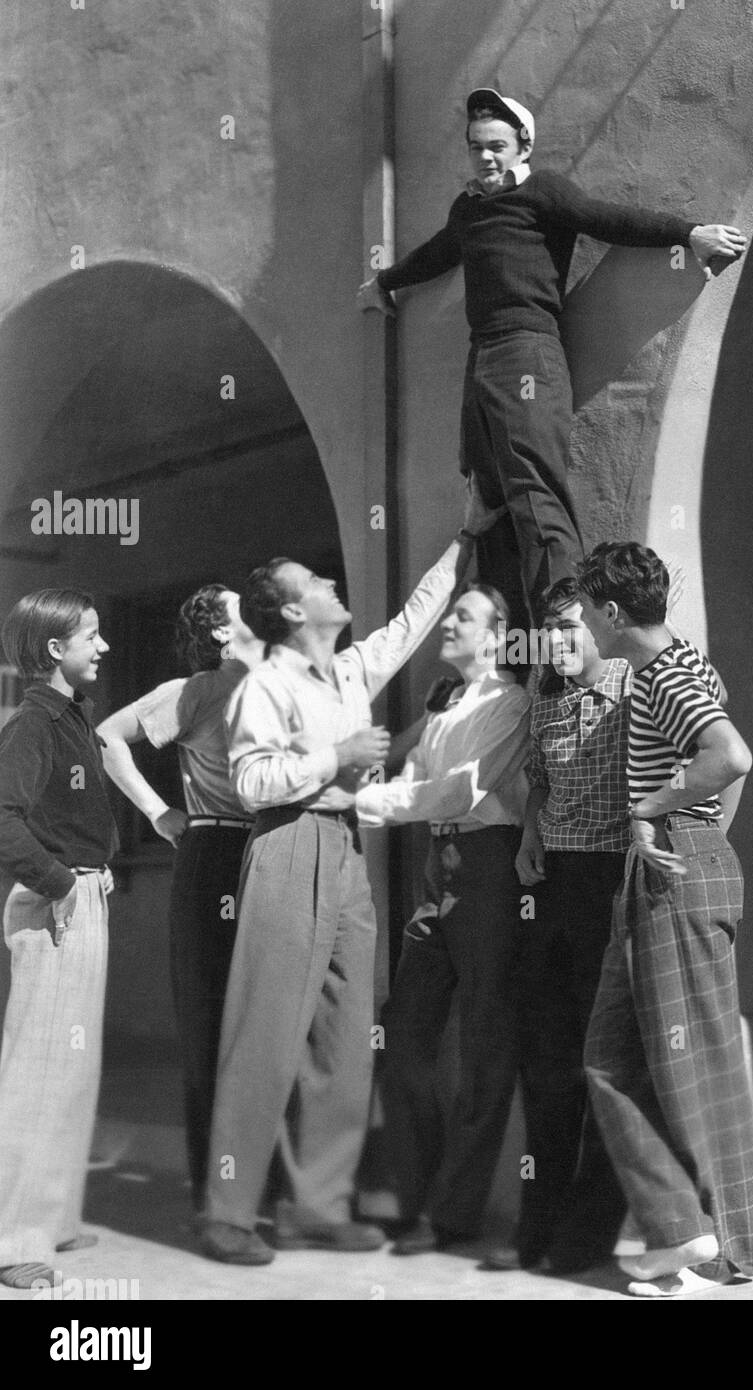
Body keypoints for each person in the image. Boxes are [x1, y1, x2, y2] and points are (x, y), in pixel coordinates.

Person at [200, 486, 498, 1266]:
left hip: (344, 853)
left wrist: (464, 538)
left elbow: (411, 621)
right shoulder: (264, 685)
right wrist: (337, 758)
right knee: (267, 1031)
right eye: (318, 584)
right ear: (294, 613)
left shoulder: (345, 673)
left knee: (343, 1039)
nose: (334, 586)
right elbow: (253, 784)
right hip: (288, 844)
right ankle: (229, 1210)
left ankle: (317, 1207)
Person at [358, 87, 747, 628]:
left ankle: (564, 614)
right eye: (476, 147)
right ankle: (509, 638)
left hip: (528, 350)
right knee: (484, 489)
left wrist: (689, 234)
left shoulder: (542, 192)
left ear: (522, 147)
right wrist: (384, 282)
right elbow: (442, 251)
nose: (485, 156)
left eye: (496, 145)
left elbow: (606, 219)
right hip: (482, 356)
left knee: (533, 484)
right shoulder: (469, 208)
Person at [576, 542, 753, 1298]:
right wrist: (705, 830)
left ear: (614, 613)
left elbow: (732, 754)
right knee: (613, 1056)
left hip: (673, 867)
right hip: (679, 861)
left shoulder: (662, 676)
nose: (585, 627)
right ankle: (684, 1227)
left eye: (589, 612)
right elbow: (719, 771)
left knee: (696, 1066)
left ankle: (727, 1246)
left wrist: (655, 812)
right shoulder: (686, 662)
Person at [354, 583, 529, 1255]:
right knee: (403, 1033)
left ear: (497, 634)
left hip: (490, 866)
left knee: (486, 1044)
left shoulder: (510, 704)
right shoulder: (444, 706)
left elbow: (461, 789)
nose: (448, 624)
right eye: (449, 613)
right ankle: (414, 1194)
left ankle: (452, 1215)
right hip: (440, 866)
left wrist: (365, 805)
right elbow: (418, 780)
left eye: (464, 616)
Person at [98, 585, 264, 1218]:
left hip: (273, 856)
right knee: (209, 1027)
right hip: (214, 856)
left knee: (264, 1026)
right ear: (221, 633)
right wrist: (159, 812)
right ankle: (214, 1195)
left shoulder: (280, 684)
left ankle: (260, 1189)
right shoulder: (194, 690)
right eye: (241, 605)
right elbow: (108, 738)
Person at [483, 576, 631, 1274]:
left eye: (572, 628)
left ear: (603, 626)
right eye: (550, 631)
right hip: (551, 889)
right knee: (547, 1061)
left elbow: (711, 763)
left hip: (612, 885)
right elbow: (539, 776)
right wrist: (529, 833)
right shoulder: (545, 700)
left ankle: (589, 1232)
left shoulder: (636, 690)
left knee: (605, 1061)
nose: (558, 642)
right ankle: (537, 1224)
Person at [0, 591, 116, 1290]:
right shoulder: (32, 726)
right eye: (92, 636)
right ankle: (15, 1242)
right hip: (55, 903)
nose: (103, 647)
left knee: (71, 1072)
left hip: (80, 895)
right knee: (37, 1076)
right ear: (55, 649)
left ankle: (56, 1219)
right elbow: (1, 818)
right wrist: (57, 883)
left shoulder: (70, 718)